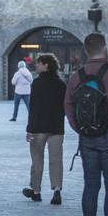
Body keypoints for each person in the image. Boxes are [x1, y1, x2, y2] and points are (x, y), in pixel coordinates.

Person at [65, 32, 108, 216]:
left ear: (86, 51)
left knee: (90, 187)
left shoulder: (77, 75)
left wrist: (81, 129)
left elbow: (69, 107)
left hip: (87, 139)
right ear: (105, 48)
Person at [23, 53, 66, 206]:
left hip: (39, 128)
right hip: (56, 128)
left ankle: (36, 192)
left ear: (46, 65)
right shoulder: (61, 84)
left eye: (38, 63)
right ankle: (57, 190)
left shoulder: (37, 83)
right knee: (56, 160)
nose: (36, 65)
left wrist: (30, 129)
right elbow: (65, 107)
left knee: (37, 159)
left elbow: (34, 108)